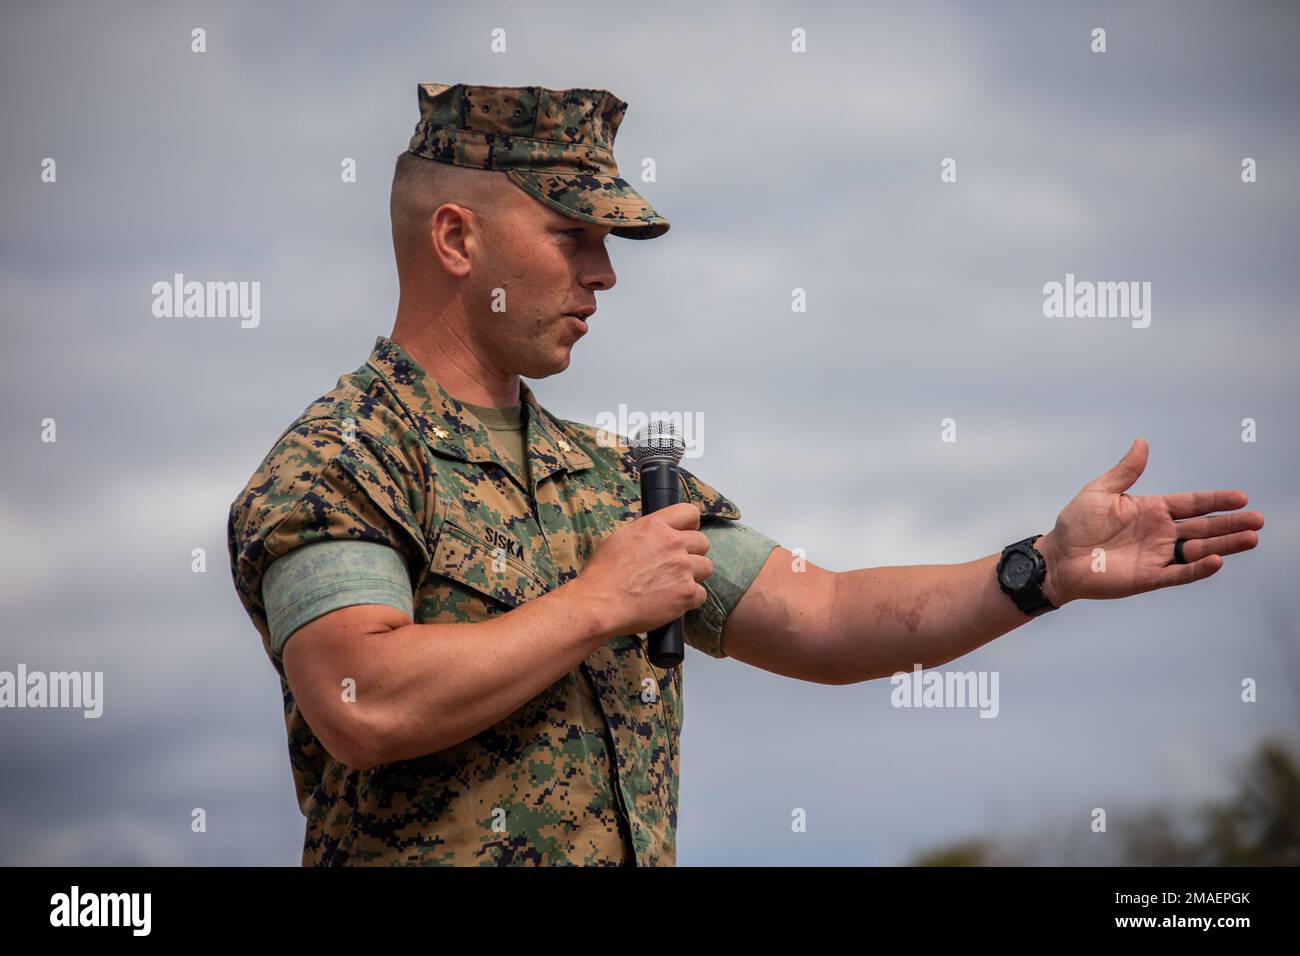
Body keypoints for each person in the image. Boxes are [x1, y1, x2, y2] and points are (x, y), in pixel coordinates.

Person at [227, 82, 1265, 867]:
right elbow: (361, 701)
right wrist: (597, 603)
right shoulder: (345, 456)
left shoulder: (611, 478)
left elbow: (825, 616)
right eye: (572, 235)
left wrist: (1042, 568)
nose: (603, 273)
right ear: (456, 237)